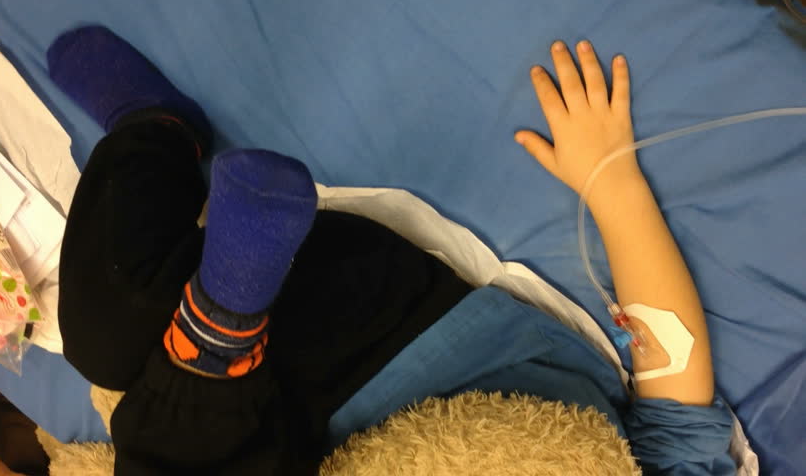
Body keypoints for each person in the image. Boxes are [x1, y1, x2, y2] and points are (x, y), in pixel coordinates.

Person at [51, 27, 735, 475]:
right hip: (408, 331)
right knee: (124, 329)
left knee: (103, 334)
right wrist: (612, 183)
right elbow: (676, 393)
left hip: (297, 424)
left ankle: (156, 132)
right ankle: (217, 322)